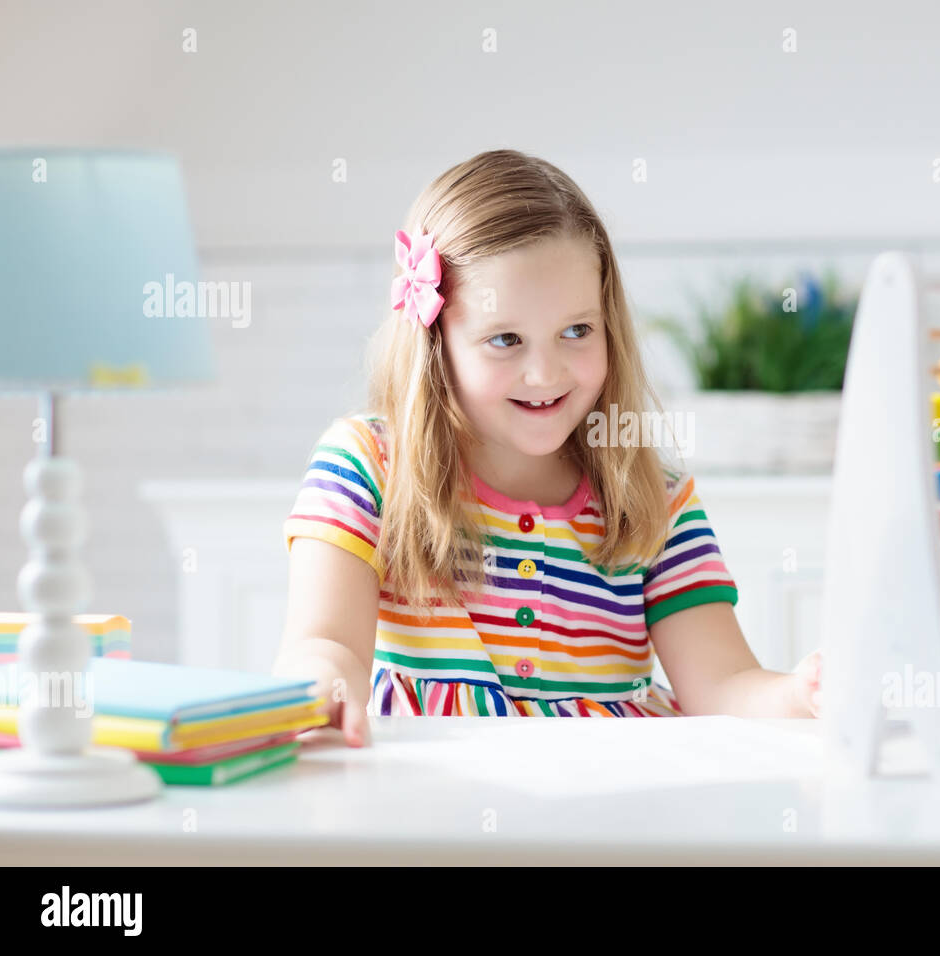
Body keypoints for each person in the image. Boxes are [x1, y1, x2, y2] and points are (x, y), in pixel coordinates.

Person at [272, 149, 823, 746]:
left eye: (576, 332)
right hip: (432, 807)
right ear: (436, 342)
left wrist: (802, 694)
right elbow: (324, 643)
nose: (545, 373)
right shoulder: (369, 465)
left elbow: (723, 683)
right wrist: (319, 691)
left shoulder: (654, 499)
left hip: (610, 811)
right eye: (505, 339)